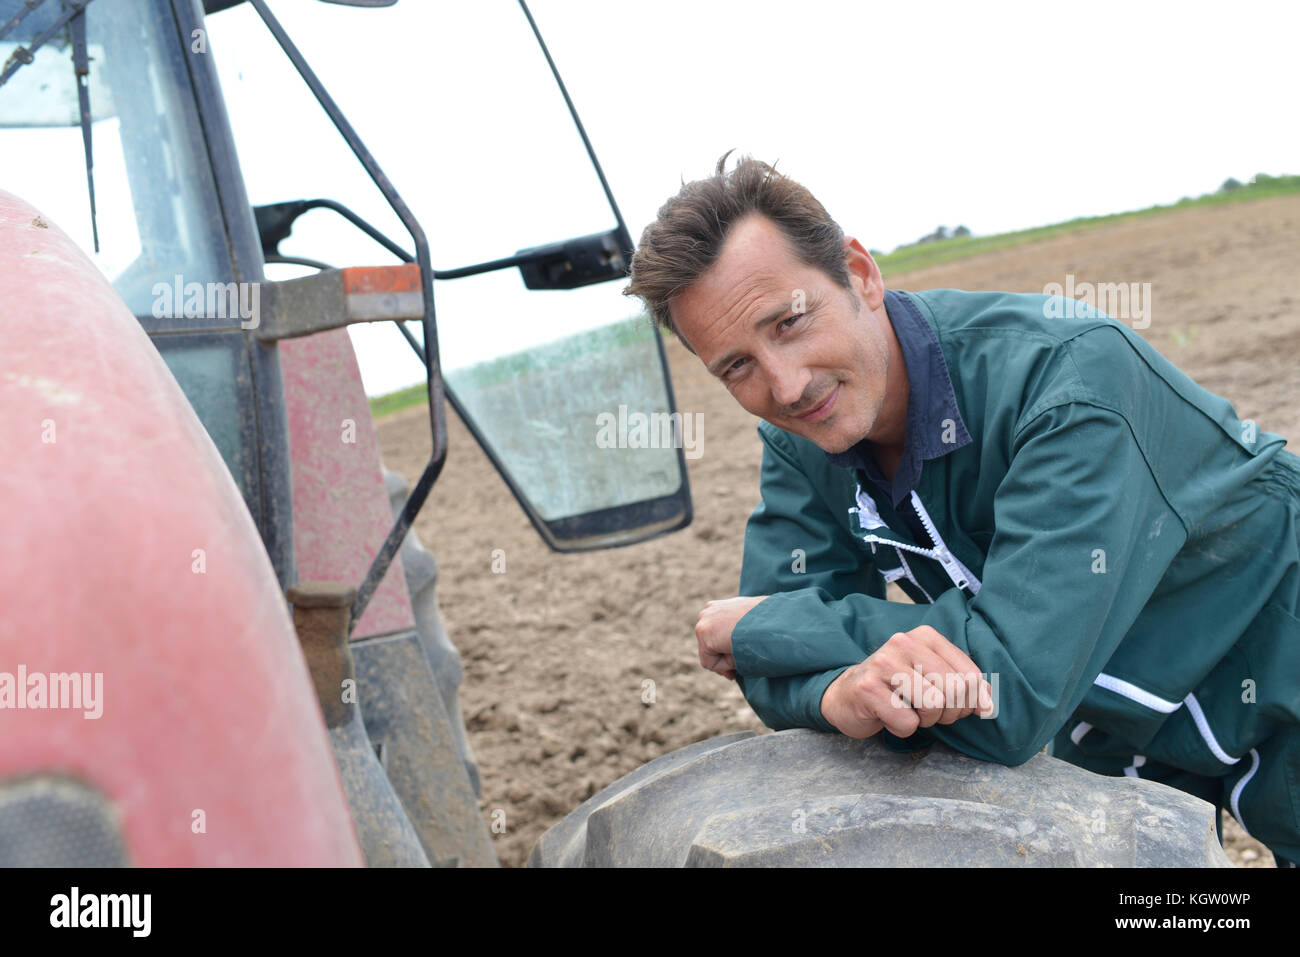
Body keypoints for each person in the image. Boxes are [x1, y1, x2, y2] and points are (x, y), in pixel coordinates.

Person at [622, 151, 1300, 866]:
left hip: (1271, 661)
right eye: (736, 366)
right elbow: (768, 668)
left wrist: (773, 624)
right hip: (1111, 715)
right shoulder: (803, 443)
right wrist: (838, 696)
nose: (786, 387)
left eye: (789, 322)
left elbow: (1009, 694)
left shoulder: (1067, 384)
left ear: (860, 273)